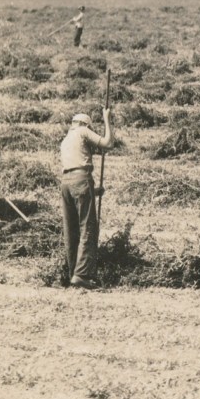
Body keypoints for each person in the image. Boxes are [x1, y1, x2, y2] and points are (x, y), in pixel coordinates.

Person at [59, 107, 113, 288]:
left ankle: (72, 271)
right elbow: (108, 143)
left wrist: (94, 191)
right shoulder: (83, 131)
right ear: (84, 125)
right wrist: (106, 118)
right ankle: (82, 275)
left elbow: (74, 177)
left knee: (71, 229)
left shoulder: (66, 139)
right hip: (81, 181)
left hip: (66, 184)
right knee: (87, 227)